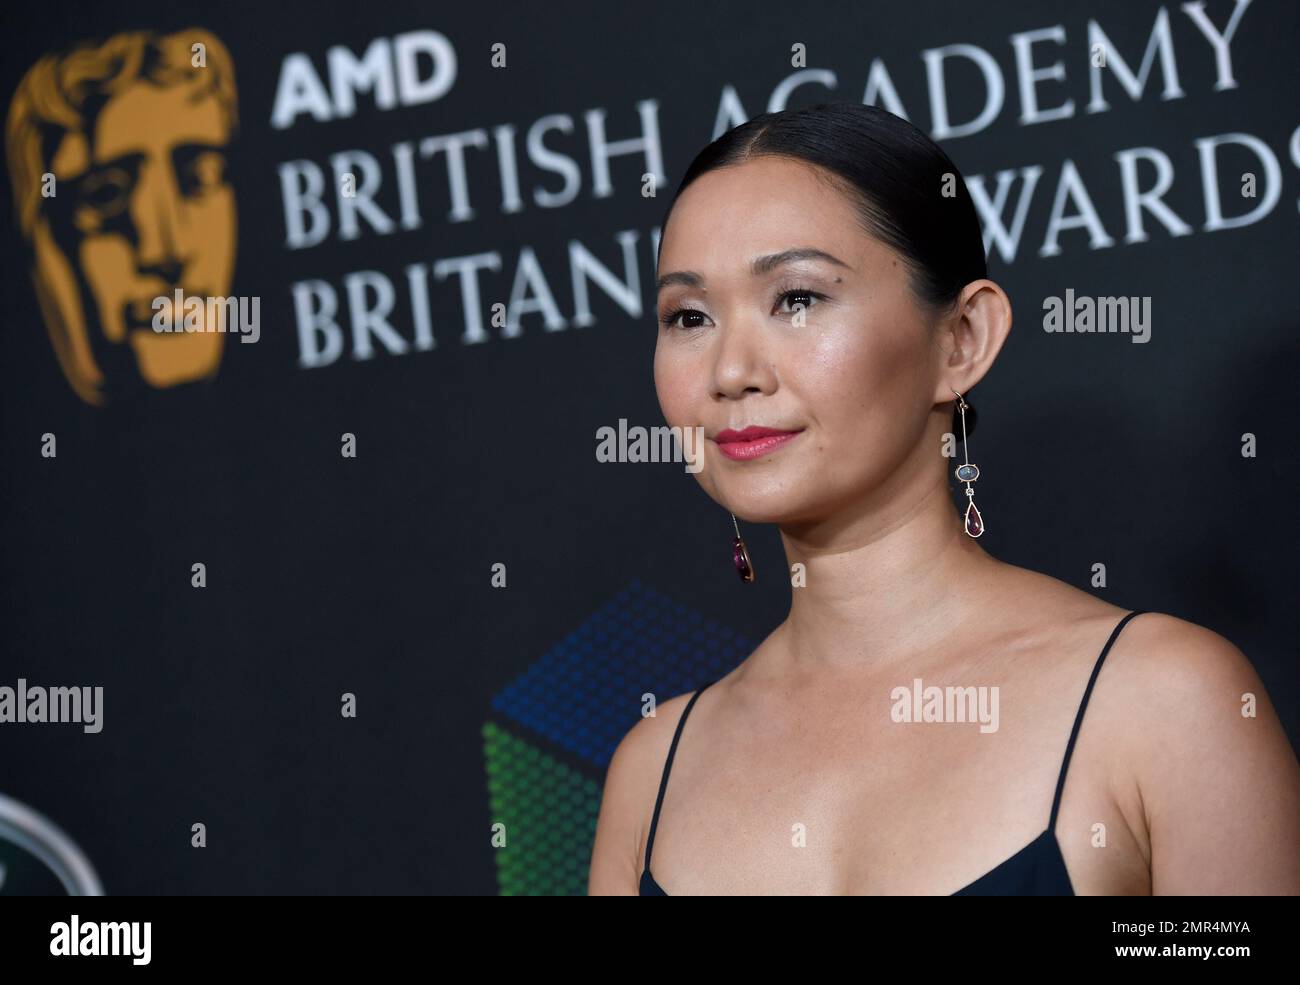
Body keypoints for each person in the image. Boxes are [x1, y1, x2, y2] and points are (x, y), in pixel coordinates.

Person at [588, 101, 1300, 895]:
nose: (730, 371)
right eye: (688, 315)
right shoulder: (652, 772)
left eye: (796, 298)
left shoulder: (1166, 700)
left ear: (962, 339)